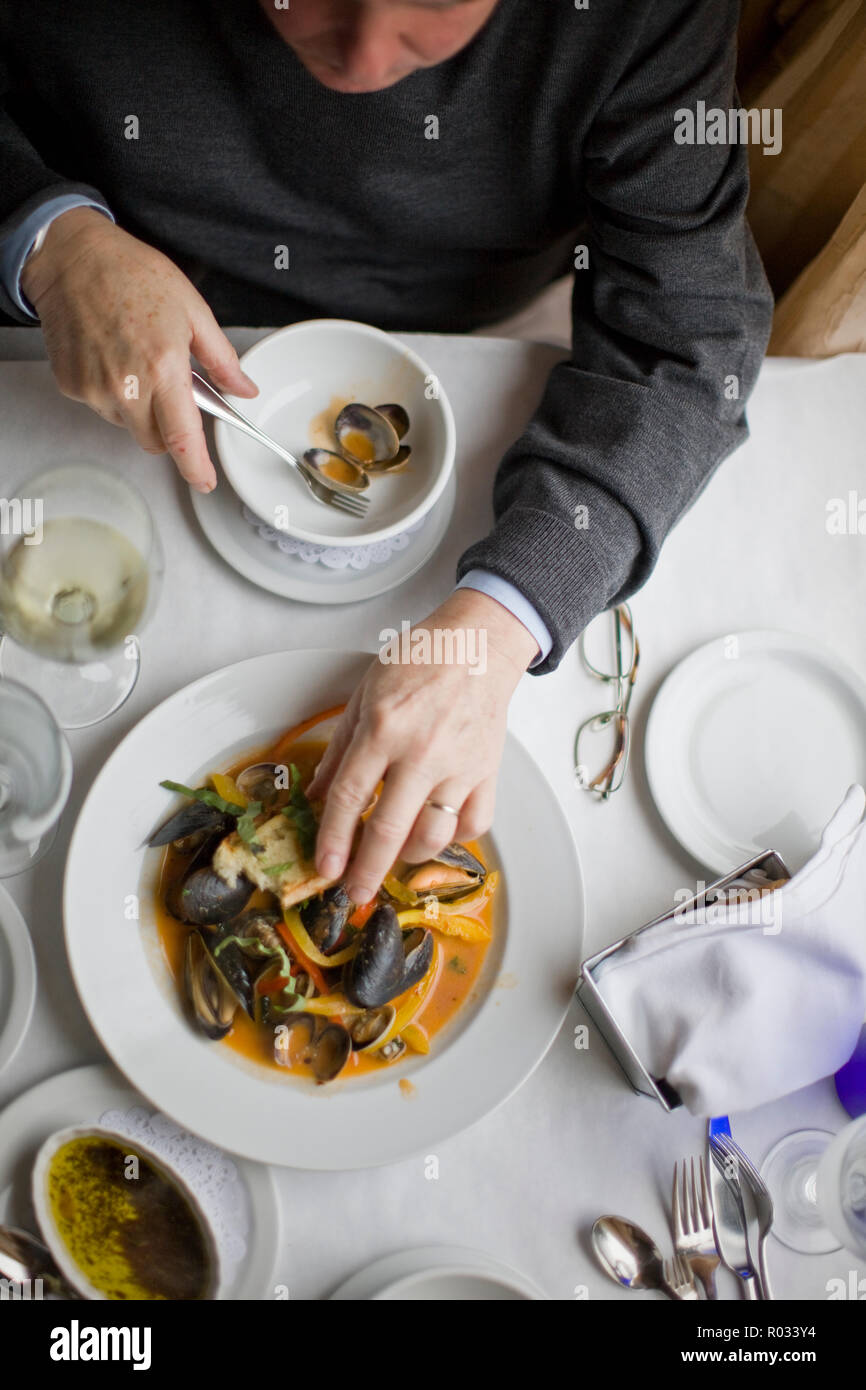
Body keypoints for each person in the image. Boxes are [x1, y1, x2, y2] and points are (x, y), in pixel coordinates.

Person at [0, 0, 773, 903]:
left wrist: (506, 618)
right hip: (82, 299)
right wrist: (47, 237)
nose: (365, 59)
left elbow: (692, 333)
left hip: (471, 315)